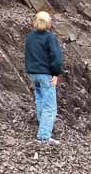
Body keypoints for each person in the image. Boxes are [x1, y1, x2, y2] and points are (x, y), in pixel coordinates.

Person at [24, 10, 64, 146]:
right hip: (45, 74)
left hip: (32, 73)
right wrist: (56, 74)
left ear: (35, 22)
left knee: (40, 99)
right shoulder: (49, 37)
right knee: (50, 106)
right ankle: (43, 137)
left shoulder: (29, 37)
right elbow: (57, 59)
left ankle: (43, 127)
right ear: (49, 24)